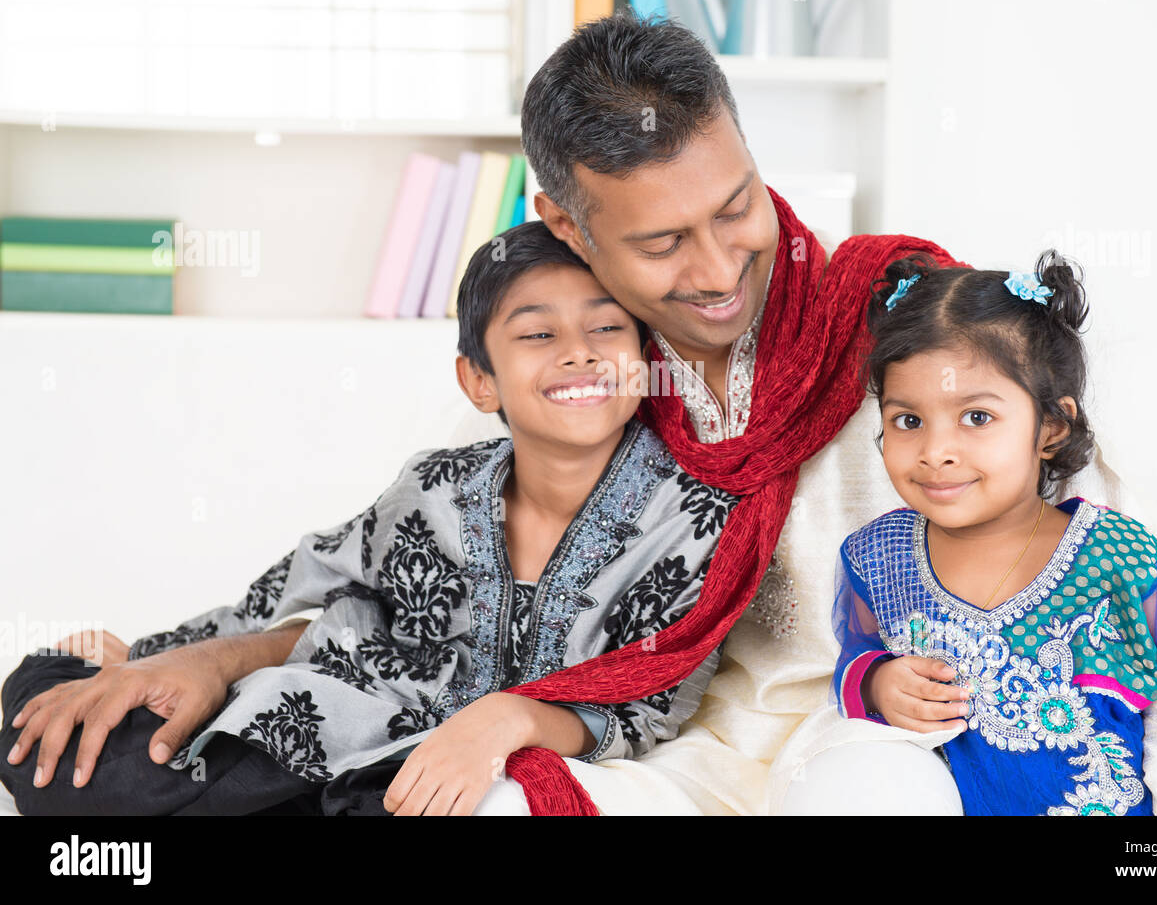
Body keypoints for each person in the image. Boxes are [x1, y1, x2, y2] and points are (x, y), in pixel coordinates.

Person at [508, 11, 1157, 815]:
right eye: (661, 244)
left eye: (734, 208)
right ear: (568, 228)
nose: (718, 270)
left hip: (895, 731)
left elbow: (1140, 575)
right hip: (695, 749)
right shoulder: (578, 371)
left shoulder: (905, 322)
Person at [0, 220, 736, 815]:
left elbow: (652, 703)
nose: (579, 354)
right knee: (60, 746)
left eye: (607, 329)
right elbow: (306, 575)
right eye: (538, 335)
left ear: (644, 357)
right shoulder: (435, 485)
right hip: (347, 705)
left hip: (448, 775)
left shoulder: (696, 518)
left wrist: (509, 718)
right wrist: (166, 651)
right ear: (479, 380)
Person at [828, 250, 1157, 814]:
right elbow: (855, 652)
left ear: (1051, 426)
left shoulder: (1115, 557)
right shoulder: (877, 558)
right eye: (908, 420)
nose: (935, 452)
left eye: (976, 418)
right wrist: (877, 682)